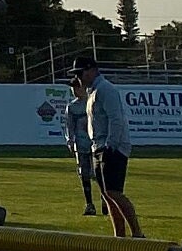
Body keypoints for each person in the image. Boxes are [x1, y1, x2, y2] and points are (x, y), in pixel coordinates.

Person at [77, 55, 143, 238]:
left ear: (91, 70)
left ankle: (137, 233)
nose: (78, 78)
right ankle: (119, 235)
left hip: (111, 148)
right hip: (98, 147)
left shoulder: (106, 90)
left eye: (80, 73)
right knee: (107, 194)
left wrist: (111, 146)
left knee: (114, 192)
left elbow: (116, 119)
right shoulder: (92, 92)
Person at [59, 71, 98, 215]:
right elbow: (69, 125)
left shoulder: (92, 102)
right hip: (81, 144)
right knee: (84, 173)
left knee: (99, 174)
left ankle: (106, 201)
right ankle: (89, 204)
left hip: (95, 144)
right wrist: (70, 140)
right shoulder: (72, 107)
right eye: (73, 89)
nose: (75, 91)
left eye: (77, 87)